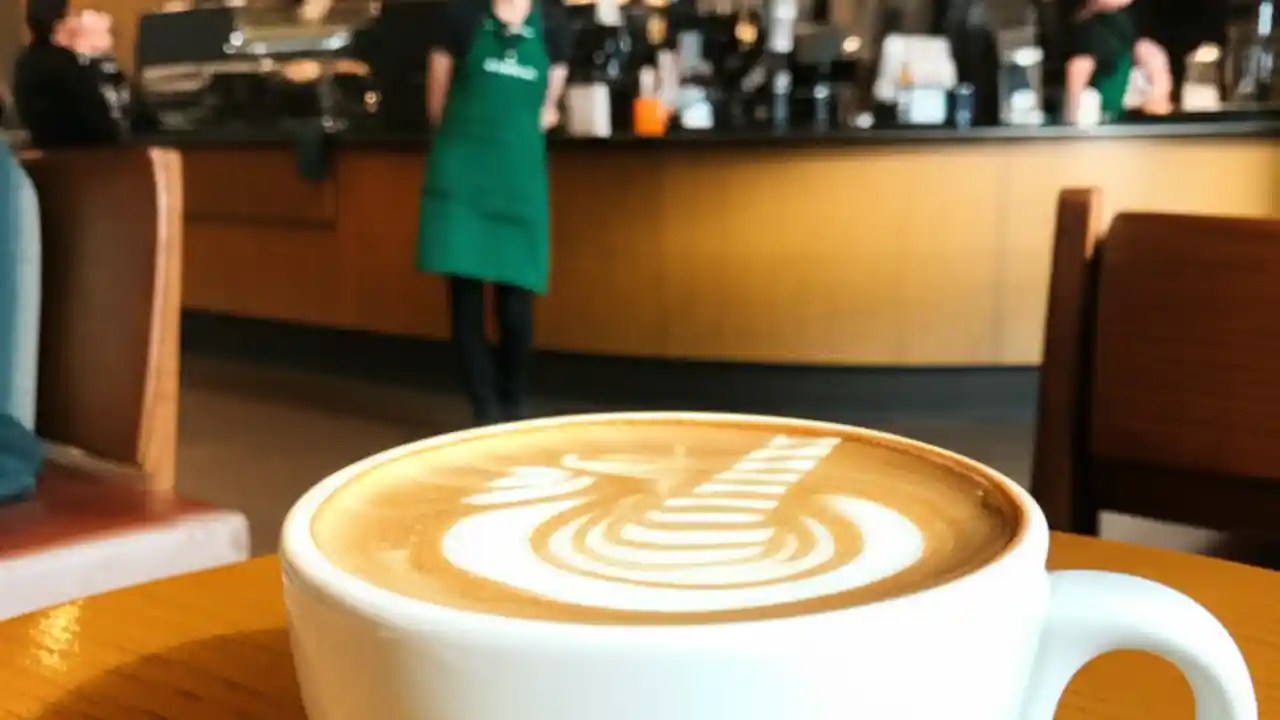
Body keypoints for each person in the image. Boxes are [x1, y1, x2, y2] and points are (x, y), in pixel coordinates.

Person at [417, 0, 570, 425]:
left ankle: (513, 403)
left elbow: (547, 109)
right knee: (465, 302)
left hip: (518, 179)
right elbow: (437, 105)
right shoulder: (458, 17)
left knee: (516, 305)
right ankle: (485, 412)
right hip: (462, 176)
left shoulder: (553, 24)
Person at [13, 0, 133, 149]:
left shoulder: (26, 62)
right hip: (90, 158)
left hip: (52, 156)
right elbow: (100, 126)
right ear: (61, 22)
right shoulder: (67, 66)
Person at [1063, 0, 1172, 121]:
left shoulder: (1145, 51)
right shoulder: (1084, 56)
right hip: (1091, 49)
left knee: (1152, 55)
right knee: (1080, 67)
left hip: (1126, 55)